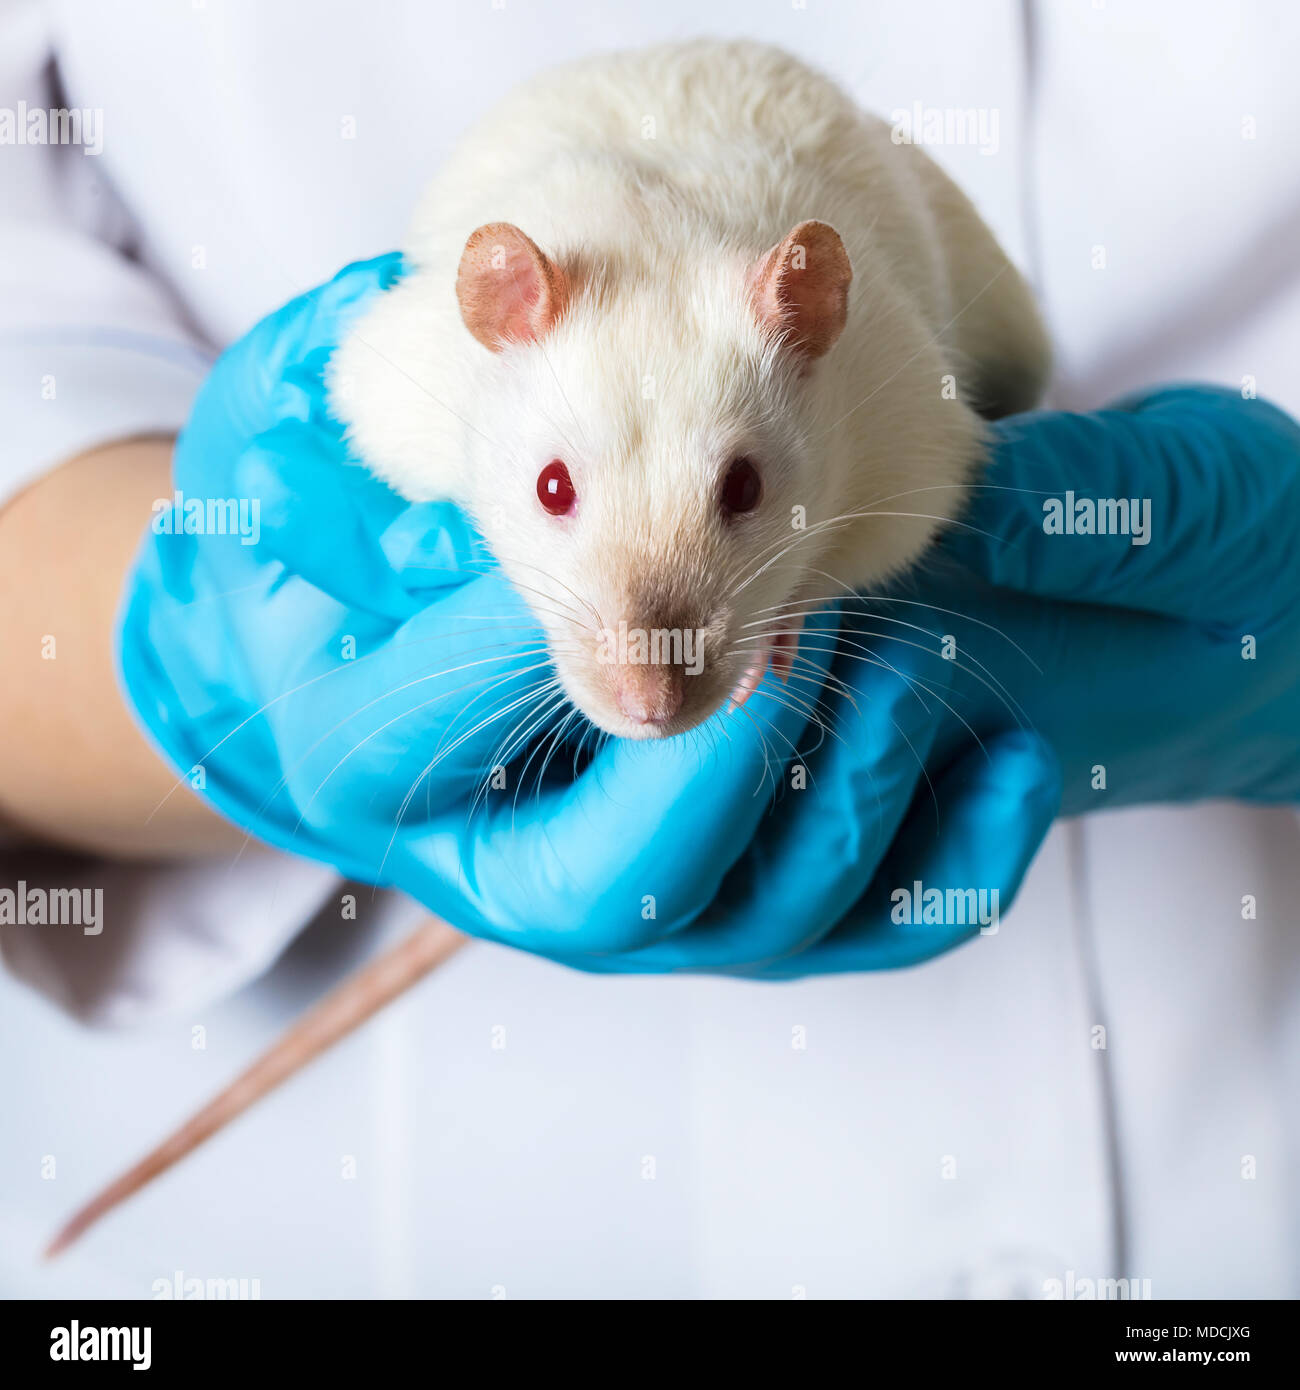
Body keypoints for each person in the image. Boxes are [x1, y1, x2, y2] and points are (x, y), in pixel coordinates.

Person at [1, 0, 1296, 1298]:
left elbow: (952, 445)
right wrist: (208, 666)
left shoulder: (844, 353)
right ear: (499, 309)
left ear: (804, 319)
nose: (646, 677)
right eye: (554, 491)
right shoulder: (448, 358)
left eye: (742, 491)